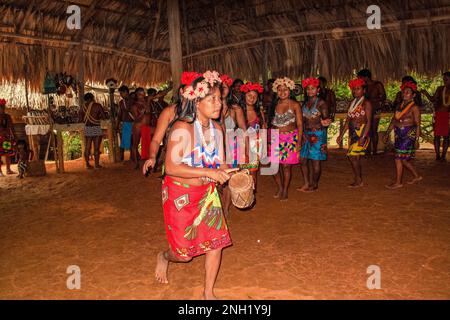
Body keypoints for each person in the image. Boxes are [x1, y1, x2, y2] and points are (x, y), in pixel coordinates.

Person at [154, 70, 237, 300]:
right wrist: (208, 172)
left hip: (207, 194)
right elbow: (171, 167)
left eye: (220, 98)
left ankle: (208, 293)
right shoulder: (183, 127)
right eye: (212, 99)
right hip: (180, 194)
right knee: (184, 254)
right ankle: (164, 256)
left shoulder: (218, 129)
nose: (218, 103)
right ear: (196, 101)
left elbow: (219, 162)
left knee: (216, 243)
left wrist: (232, 173)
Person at [142, 72, 200, 175]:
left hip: (198, 161)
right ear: (181, 91)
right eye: (189, 88)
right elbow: (156, 140)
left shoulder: (201, 111)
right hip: (173, 162)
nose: (192, 91)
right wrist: (152, 156)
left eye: (195, 89)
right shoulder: (168, 112)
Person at [383, 81, 422, 189]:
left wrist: (416, 140)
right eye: (404, 92)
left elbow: (418, 124)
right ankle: (417, 176)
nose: (405, 94)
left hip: (408, 136)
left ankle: (398, 182)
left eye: (408, 92)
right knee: (403, 159)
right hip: (398, 135)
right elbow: (393, 121)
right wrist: (387, 132)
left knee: (398, 158)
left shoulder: (414, 108)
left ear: (413, 95)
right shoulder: (399, 106)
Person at [269, 77, 303, 201]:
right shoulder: (274, 104)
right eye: (280, 90)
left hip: (290, 138)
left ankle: (285, 190)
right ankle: (280, 187)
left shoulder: (295, 105)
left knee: (286, 166)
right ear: (276, 91)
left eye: (285, 90)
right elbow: (271, 123)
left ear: (290, 91)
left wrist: (299, 142)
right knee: (274, 167)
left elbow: (299, 124)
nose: (282, 92)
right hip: (275, 138)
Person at [218, 74, 246, 216]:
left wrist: (246, 151)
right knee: (216, 180)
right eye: (220, 85)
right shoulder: (206, 109)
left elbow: (244, 131)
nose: (223, 88)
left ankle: (225, 209)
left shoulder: (236, 109)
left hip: (231, 146)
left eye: (225, 86)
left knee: (229, 178)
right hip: (213, 147)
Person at [337, 78, 373, 188]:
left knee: (352, 156)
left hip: (361, 133)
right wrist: (341, 134)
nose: (355, 91)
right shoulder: (352, 103)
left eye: (358, 89)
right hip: (353, 133)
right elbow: (348, 121)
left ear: (364, 90)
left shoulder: (366, 103)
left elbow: (368, 121)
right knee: (354, 157)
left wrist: (363, 136)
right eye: (353, 89)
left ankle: (359, 179)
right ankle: (358, 179)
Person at [298, 78, 332, 192]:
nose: (310, 91)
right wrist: (302, 133)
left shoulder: (321, 103)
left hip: (318, 134)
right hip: (306, 134)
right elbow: (301, 121)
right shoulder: (304, 103)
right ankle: (307, 183)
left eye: (313, 88)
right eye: (308, 89)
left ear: (317, 90)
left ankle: (314, 184)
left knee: (315, 161)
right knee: (302, 159)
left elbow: (326, 120)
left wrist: (325, 123)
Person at [239, 82, 266, 191]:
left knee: (253, 173)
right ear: (244, 96)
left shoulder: (259, 111)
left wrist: (263, 147)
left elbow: (263, 128)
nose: (252, 98)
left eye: (255, 96)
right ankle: (243, 195)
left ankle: (251, 195)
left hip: (255, 146)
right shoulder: (238, 110)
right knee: (241, 173)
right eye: (249, 95)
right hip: (240, 146)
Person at [421, 71, 450, 161]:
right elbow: (433, 99)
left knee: (446, 136)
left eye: (446, 79)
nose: (444, 81)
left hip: (448, 116)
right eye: (443, 79)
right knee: (437, 135)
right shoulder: (440, 88)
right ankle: (437, 156)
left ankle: (443, 156)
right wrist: (426, 94)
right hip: (438, 115)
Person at [357, 69, 386, 155]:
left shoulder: (377, 85)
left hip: (375, 109)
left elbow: (383, 96)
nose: (360, 80)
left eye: (360, 78)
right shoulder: (363, 86)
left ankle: (375, 151)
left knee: (374, 130)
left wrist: (372, 100)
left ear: (366, 77)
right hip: (366, 110)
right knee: (367, 130)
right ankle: (368, 150)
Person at [78, 93, 106, 169]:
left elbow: (80, 119)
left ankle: (87, 165)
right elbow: (104, 117)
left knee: (87, 147)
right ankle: (96, 165)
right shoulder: (97, 105)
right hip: (96, 127)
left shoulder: (82, 107)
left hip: (88, 128)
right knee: (96, 148)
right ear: (92, 98)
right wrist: (98, 117)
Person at [130, 88, 147, 169]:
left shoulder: (146, 102)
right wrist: (142, 113)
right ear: (137, 95)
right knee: (135, 145)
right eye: (141, 93)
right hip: (137, 126)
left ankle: (146, 163)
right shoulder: (134, 105)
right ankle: (136, 163)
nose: (143, 95)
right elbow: (136, 118)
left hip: (146, 126)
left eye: (143, 93)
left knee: (147, 144)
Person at [117, 85, 134, 162]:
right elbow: (119, 115)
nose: (120, 95)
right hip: (125, 123)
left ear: (126, 92)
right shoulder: (121, 102)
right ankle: (122, 158)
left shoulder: (134, 101)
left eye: (121, 93)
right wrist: (117, 125)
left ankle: (132, 157)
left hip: (133, 123)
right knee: (123, 141)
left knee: (133, 141)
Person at [0, 99, 16, 176]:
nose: (2, 109)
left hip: (6, 138)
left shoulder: (8, 117)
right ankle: (0, 172)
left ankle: (8, 170)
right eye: (1, 108)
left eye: (3, 108)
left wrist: (15, 136)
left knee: (7, 154)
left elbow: (12, 127)